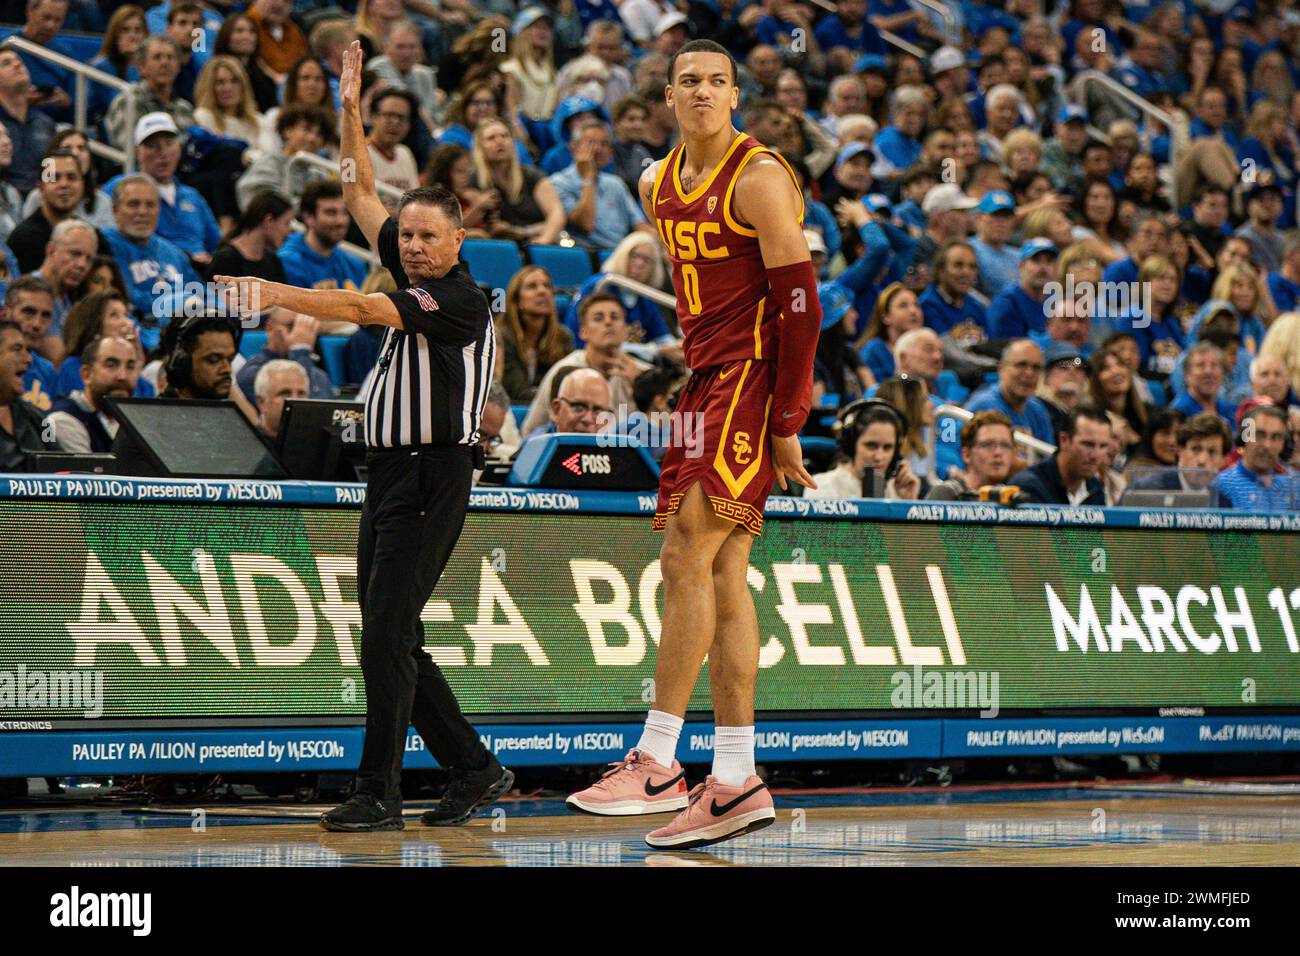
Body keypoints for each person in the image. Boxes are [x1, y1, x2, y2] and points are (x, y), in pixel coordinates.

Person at [217, 41, 510, 833]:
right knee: (392, 633)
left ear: (457, 242)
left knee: (386, 632)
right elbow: (358, 195)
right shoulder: (415, 266)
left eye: (425, 237)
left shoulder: (462, 300)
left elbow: (360, 310)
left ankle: (377, 790)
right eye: (406, 237)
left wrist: (269, 290)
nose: (409, 245)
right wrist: (349, 114)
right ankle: (474, 767)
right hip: (389, 474)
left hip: (433, 474)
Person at [565, 40, 821, 850]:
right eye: (689, 83)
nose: (704, 93)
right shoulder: (653, 184)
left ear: (736, 96)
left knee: (684, 552)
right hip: (703, 381)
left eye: (717, 82)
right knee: (721, 571)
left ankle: (657, 758)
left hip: (750, 376)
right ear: (667, 99)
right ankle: (736, 778)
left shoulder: (760, 177)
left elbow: (803, 309)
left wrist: (785, 421)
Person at [520, 291, 651, 433]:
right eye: (598, 318)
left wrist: (641, 390)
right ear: (583, 332)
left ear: (626, 331)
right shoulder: (564, 372)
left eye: (615, 317)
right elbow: (531, 430)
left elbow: (661, 436)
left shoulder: (642, 374)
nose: (608, 322)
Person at [103, 113, 223, 264]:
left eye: (169, 143)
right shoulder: (120, 187)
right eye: (152, 146)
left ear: (179, 148)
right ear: (138, 152)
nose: (163, 153)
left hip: (198, 276)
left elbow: (218, 245)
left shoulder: (192, 196)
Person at [102, 175, 204, 350]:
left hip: (187, 333)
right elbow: (124, 296)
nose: (142, 212)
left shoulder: (173, 252)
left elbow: (200, 292)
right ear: (115, 209)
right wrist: (173, 301)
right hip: (138, 339)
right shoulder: (105, 244)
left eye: (150, 205)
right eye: (134, 204)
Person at [549, 119, 654, 253]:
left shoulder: (615, 184)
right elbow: (586, 224)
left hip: (621, 255)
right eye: (590, 142)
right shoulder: (558, 183)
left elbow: (640, 226)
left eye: (604, 144)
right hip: (588, 255)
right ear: (574, 147)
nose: (598, 149)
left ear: (610, 152)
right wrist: (588, 178)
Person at [805, 398, 920, 499]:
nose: (879, 457)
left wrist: (907, 501)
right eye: (871, 446)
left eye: (887, 447)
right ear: (851, 445)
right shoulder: (821, 487)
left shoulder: (896, 491)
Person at [43, 335, 139, 453]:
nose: (122, 376)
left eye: (130, 367)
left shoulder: (134, 421)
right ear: (86, 375)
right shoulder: (63, 419)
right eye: (111, 365)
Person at [104, 37, 197, 153]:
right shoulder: (128, 100)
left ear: (178, 67)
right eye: (157, 57)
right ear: (142, 67)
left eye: (170, 58)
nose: (165, 63)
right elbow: (128, 150)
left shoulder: (185, 108)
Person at [495, 264, 573, 403]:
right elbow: (516, 392)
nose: (542, 291)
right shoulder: (501, 337)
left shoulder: (563, 338)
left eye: (547, 286)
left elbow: (567, 387)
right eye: (532, 286)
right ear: (517, 300)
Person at [277, 180, 369, 293]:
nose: (341, 221)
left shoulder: (355, 265)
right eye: (331, 213)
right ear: (308, 217)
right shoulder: (287, 262)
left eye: (344, 212)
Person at [1009, 404, 1111, 505]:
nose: (1095, 455)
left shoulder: (1096, 489)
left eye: (1103, 446)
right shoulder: (1029, 488)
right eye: (1088, 445)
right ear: (1064, 440)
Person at [965, 339, 1056, 447]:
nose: (1029, 373)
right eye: (1021, 365)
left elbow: (1049, 457)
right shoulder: (984, 406)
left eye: (1036, 368)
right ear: (1001, 369)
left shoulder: (1038, 410)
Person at [1128, 411, 1230, 505]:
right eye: (1195, 449)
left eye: (1212, 452)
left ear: (1223, 460)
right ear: (1180, 450)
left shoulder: (1223, 504)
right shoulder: (1145, 490)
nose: (1202, 460)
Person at [235, 306, 335, 402]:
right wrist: (300, 350)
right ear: (270, 328)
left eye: (307, 327)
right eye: (292, 326)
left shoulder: (320, 376)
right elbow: (300, 411)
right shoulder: (253, 374)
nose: (301, 333)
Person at [1212, 405, 1296, 510]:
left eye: (1276, 437)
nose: (1267, 445)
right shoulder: (1222, 486)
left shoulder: (1294, 485)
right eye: (1259, 435)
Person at [925, 410, 1016, 500]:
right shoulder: (946, 494)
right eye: (988, 445)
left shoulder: (1014, 498)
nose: (998, 452)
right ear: (967, 455)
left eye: (1005, 445)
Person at [206, 190, 293, 283]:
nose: (288, 233)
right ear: (269, 220)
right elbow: (210, 296)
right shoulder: (225, 260)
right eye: (286, 223)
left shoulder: (273, 261)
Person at [0, 49, 55, 193]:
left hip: (41, 199)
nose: (18, 65)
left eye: (20, 61)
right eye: (6, 63)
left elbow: (51, 169)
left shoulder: (45, 123)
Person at [0, 318, 53, 470]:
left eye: (27, 351)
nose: (28, 359)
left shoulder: (39, 419)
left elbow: (62, 466)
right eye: (17, 349)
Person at [519, 365, 613, 443]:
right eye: (579, 407)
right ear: (557, 409)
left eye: (598, 411)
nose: (588, 419)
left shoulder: (617, 455)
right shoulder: (534, 450)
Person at [251, 357, 309, 440]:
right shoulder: (247, 446)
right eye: (285, 394)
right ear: (262, 402)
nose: (295, 400)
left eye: (301, 394)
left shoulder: (316, 444)